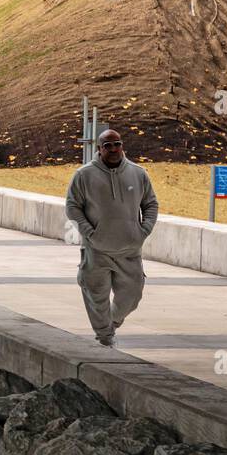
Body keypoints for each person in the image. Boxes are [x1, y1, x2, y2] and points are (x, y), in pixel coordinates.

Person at [65, 129, 158, 347]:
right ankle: (105, 337)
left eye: (117, 144)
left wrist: (143, 231)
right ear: (99, 149)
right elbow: (72, 207)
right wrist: (90, 233)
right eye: (108, 145)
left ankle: (111, 323)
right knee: (96, 296)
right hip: (96, 250)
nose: (114, 149)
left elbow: (150, 204)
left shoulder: (138, 173)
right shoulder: (84, 175)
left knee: (132, 296)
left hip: (130, 249)